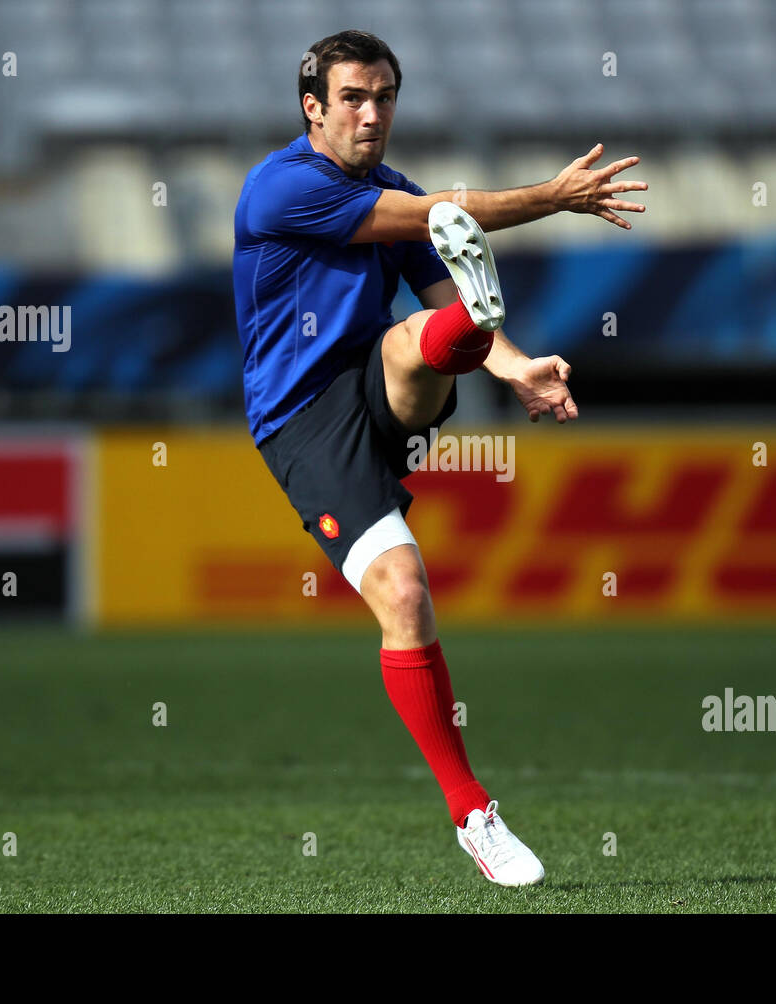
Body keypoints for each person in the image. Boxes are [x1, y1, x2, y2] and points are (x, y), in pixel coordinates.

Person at [233, 29, 647, 886]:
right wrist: (552, 197)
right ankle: (474, 815)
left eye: (384, 96)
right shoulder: (282, 188)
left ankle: (470, 331)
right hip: (302, 421)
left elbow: (432, 258)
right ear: (313, 108)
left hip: (382, 383)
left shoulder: (396, 190)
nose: (372, 112)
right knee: (407, 596)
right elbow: (439, 219)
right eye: (353, 97)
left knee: (425, 331)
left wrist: (519, 367)